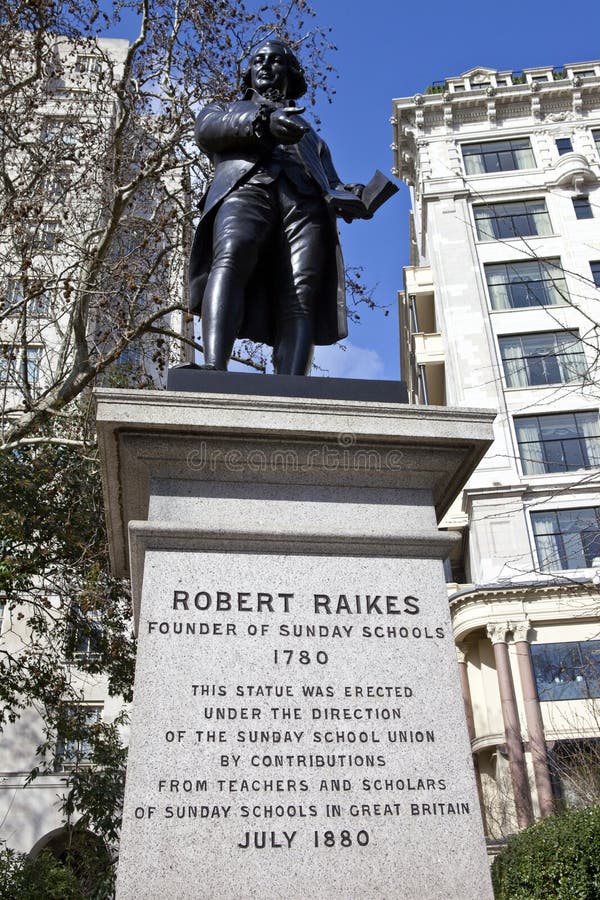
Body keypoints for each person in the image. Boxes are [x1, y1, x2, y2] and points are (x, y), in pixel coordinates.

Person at [188, 39, 365, 375]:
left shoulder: (312, 137)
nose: (266, 66)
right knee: (231, 255)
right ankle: (214, 367)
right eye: (258, 61)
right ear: (249, 73)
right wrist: (263, 123)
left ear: (291, 72)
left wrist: (353, 195)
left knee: (302, 289)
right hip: (247, 189)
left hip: (306, 205)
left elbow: (330, 181)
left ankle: (293, 384)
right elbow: (206, 131)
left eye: (276, 61)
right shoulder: (224, 109)